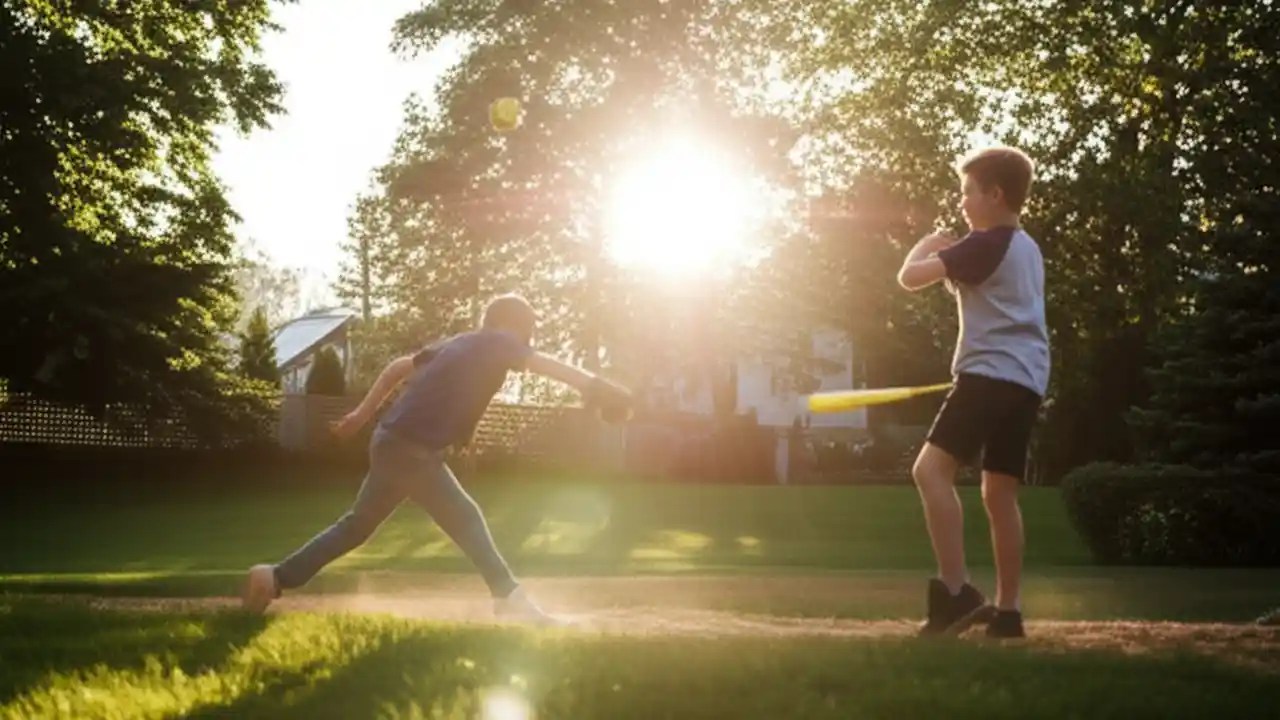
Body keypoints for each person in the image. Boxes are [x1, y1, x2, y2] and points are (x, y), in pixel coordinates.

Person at [242, 293, 633, 624]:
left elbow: (399, 368)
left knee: (357, 527)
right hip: (411, 449)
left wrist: (362, 417)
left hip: (390, 441)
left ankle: (273, 577)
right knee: (465, 518)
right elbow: (548, 366)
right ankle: (508, 600)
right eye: (528, 327)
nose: (529, 336)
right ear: (515, 325)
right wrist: (601, 388)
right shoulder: (501, 342)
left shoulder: (459, 342)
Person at [896, 146, 1050, 639]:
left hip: (988, 375)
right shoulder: (1026, 248)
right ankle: (1008, 613)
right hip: (1027, 381)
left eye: (968, 191)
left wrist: (925, 244)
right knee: (999, 493)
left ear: (995, 194)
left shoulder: (987, 243)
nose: (963, 202)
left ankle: (957, 593)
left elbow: (909, 278)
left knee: (930, 470)